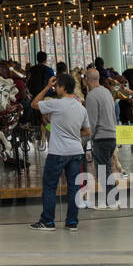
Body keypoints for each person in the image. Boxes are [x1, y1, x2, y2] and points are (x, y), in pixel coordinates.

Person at [28, 73, 89, 232]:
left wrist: (47, 87)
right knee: (74, 187)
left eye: (57, 85)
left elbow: (34, 104)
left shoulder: (56, 104)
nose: (55, 88)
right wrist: (74, 133)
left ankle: (48, 221)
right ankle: (72, 222)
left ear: (62, 87)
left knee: (49, 186)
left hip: (58, 152)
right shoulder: (81, 107)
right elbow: (87, 130)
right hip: (76, 151)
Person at [83, 68, 118, 208]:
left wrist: (84, 140)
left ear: (87, 79)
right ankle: (113, 198)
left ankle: (112, 200)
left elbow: (92, 122)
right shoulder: (107, 92)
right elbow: (114, 115)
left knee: (103, 171)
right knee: (107, 169)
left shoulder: (91, 96)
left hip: (101, 138)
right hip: (112, 136)